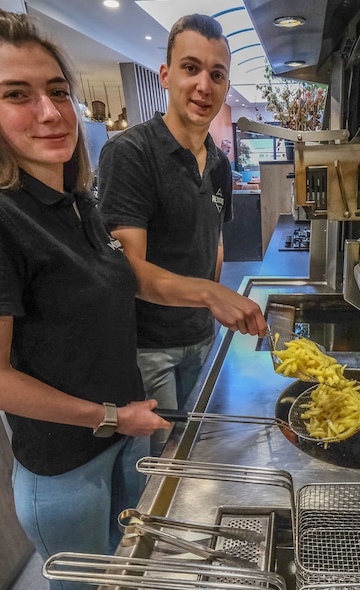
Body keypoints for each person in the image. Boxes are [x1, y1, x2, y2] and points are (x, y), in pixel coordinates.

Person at [0, 11, 170, 590]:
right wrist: (111, 416)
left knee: (119, 576)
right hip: (65, 464)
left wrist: (208, 297)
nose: (49, 111)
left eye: (57, 91)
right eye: (17, 95)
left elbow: (113, 291)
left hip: (122, 436)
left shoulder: (73, 201)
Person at [99, 14, 267, 455]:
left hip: (200, 337)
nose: (203, 86)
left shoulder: (218, 163)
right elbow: (127, 270)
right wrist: (212, 294)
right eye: (191, 68)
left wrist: (211, 305)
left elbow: (213, 241)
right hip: (149, 347)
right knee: (165, 460)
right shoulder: (131, 153)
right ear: (166, 75)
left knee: (199, 446)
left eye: (216, 74)